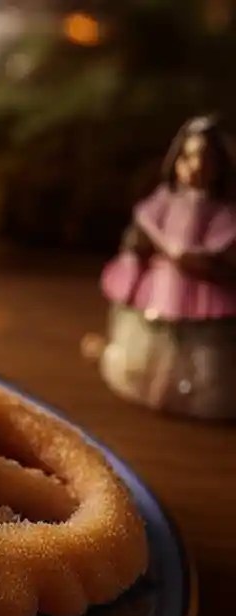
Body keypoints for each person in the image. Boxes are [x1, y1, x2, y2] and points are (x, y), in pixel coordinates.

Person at [100, 115, 236, 419]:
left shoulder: (225, 214)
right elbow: (140, 237)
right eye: (188, 157)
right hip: (162, 288)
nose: (196, 167)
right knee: (153, 346)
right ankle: (151, 386)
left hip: (203, 293)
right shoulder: (163, 201)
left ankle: (195, 396)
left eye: (205, 159)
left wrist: (200, 262)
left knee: (201, 354)